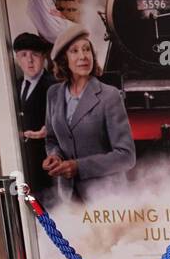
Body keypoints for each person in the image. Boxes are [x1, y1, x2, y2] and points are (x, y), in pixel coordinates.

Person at [42, 24, 135, 203]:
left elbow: (126, 156)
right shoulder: (53, 94)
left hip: (107, 197)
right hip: (69, 197)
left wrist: (79, 167)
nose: (83, 56)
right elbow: (52, 139)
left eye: (86, 49)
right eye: (74, 51)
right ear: (63, 60)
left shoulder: (110, 95)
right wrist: (54, 156)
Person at [13, 32, 56, 203]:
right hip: (21, 168)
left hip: (47, 169)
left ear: (43, 57)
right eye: (24, 55)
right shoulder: (14, 85)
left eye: (35, 55)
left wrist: (49, 130)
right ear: (17, 58)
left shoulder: (54, 86)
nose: (30, 60)